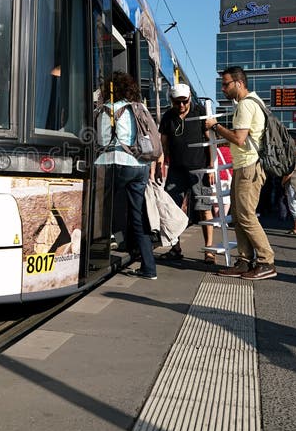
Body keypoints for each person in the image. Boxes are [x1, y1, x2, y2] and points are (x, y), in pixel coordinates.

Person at [205, 67, 277, 279]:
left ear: (238, 83)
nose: (223, 89)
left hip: (249, 167)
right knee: (237, 215)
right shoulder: (254, 102)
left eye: (226, 84)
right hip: (244, 165)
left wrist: (216, 126)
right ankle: (245, 261)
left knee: (245, 216)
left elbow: (239, 139)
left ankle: (266, 262)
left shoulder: (245, 105)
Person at [96, 71, 158, 280]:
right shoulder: (138, 108)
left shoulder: (105, 110)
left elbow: (101, 139)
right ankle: (149, 268)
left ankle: (95, 258)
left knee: (99, 212)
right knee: (138, 217)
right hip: (140, 165)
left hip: (113, 162)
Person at [156, 83, 214, 263]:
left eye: (184, 101)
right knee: (172, 210)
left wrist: (211, 166)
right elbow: (163, 143)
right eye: (177, 102)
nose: (181, 106)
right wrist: (160, 165)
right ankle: (176, 248)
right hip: (176, 170)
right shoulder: (168, 116)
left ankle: (209, 250)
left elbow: (210, 140)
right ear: (171, 101)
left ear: (189, 98)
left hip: (199, 169)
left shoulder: (200, 111)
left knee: (204, 208)